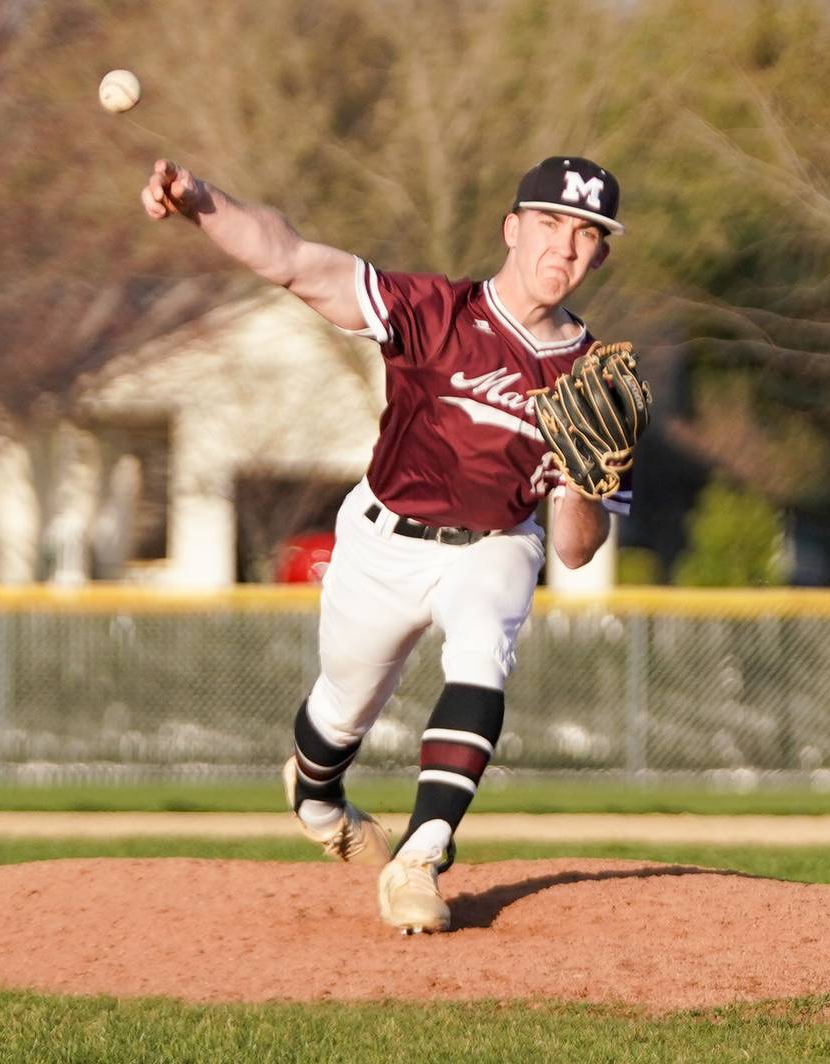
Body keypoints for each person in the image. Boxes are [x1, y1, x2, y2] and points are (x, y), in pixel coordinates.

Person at [142, 155, 632, 933]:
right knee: (342, 711)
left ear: (601, 253)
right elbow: (293, 260)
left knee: (482, 648)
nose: (563, 248)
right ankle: (314, 794)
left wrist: (586, 485)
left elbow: (576, 550)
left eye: (585, 234)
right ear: (512, 229)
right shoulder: (430, 311)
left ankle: (421, 855)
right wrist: (203, 204)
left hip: (497, 542)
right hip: (384, 538)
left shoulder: (598, 379)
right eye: (548, 223)